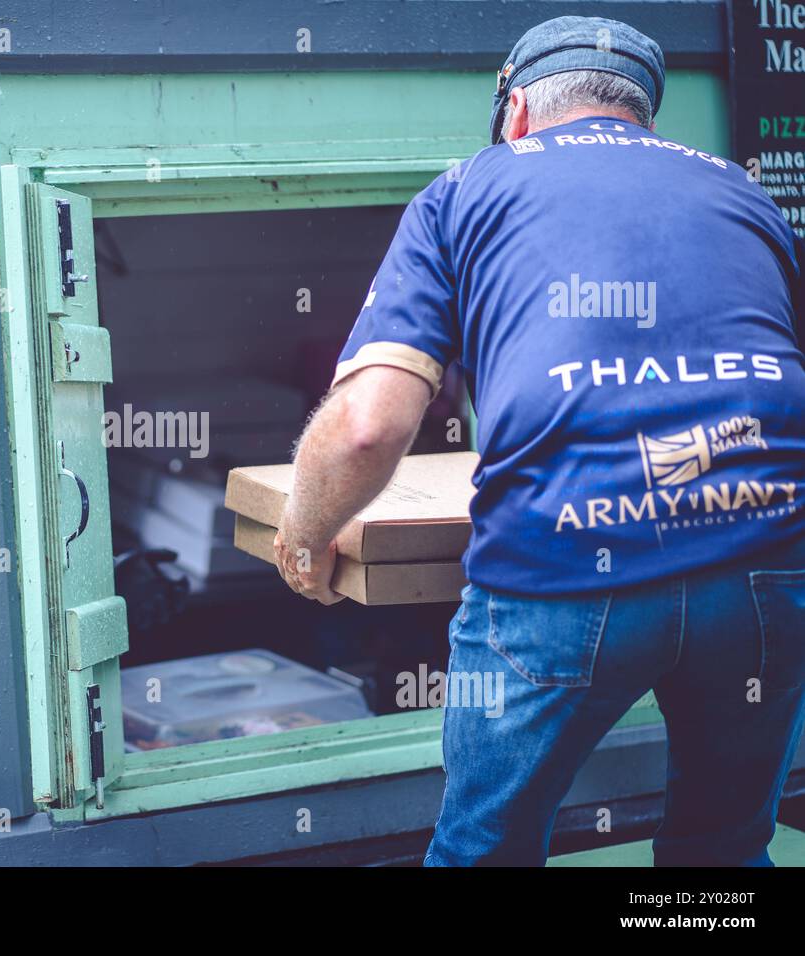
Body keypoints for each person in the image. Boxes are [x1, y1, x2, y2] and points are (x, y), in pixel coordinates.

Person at [272, 15, 805, 866]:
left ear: (514, 110)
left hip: (562, 568)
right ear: (644, 118)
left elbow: (368, 429)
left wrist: (301, 540)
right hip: (764, 568)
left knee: (488, 849)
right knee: (726, 851)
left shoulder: (464, 190)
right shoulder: (745, 195)